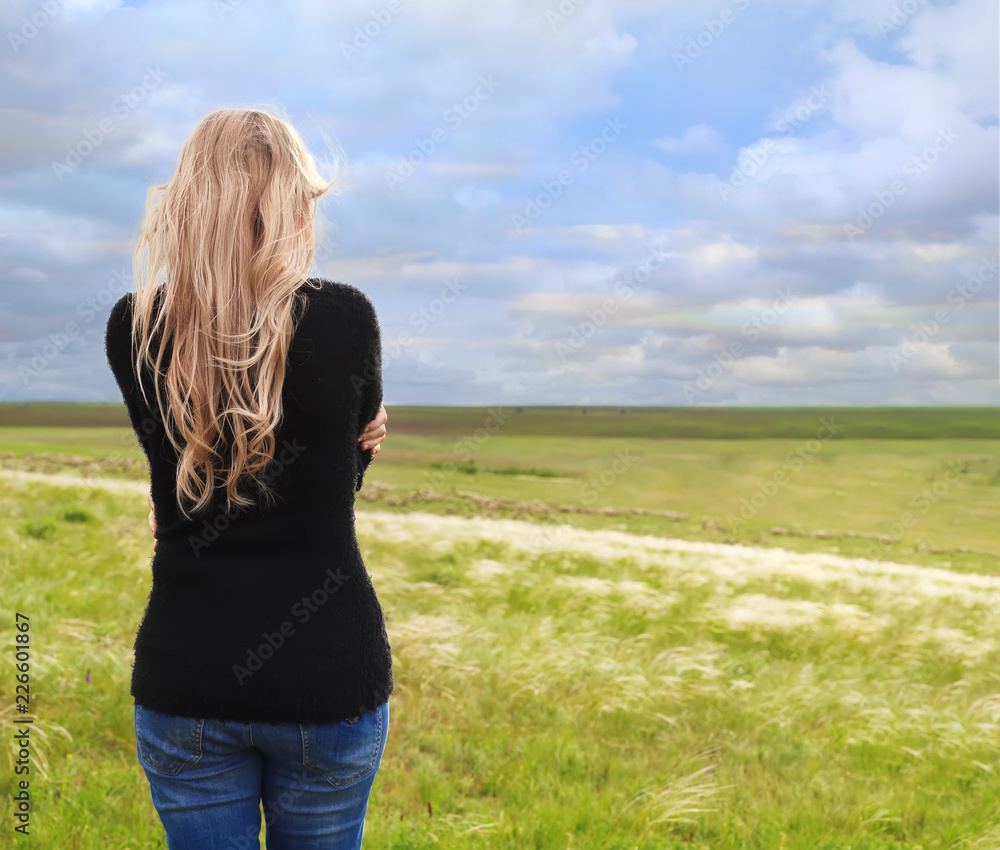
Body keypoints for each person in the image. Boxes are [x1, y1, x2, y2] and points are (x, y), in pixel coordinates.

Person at [104, 106, 393, 849]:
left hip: (186, 673)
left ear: (190, 200)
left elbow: (181, 479)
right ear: (292, 202)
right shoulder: (346, 318)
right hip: (329, 673)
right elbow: (332, 485)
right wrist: (360, 444)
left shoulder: (133, 326)